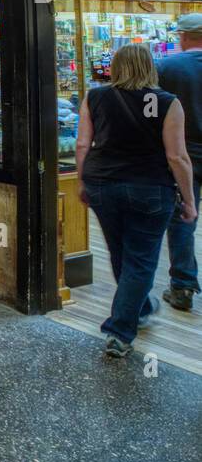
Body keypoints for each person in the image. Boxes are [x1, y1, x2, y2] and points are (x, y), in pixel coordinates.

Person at [76, 43, 196, 358]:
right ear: (150, 67)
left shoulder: (95, 97)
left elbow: (82, 145)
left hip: (103, 184)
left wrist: (81, 180)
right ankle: (120, 331)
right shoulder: (167, 102)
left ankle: (139, 307)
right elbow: (177, 156)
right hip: (150, 188)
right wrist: (189, 199)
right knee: (141, 259)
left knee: (120, 253)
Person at [156, 12, 202, 311]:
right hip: (184, 150)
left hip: (183, 152)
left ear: (182, 36)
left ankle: (183, 286)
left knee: (184, 214)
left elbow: (152, 111)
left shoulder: (167, 66)